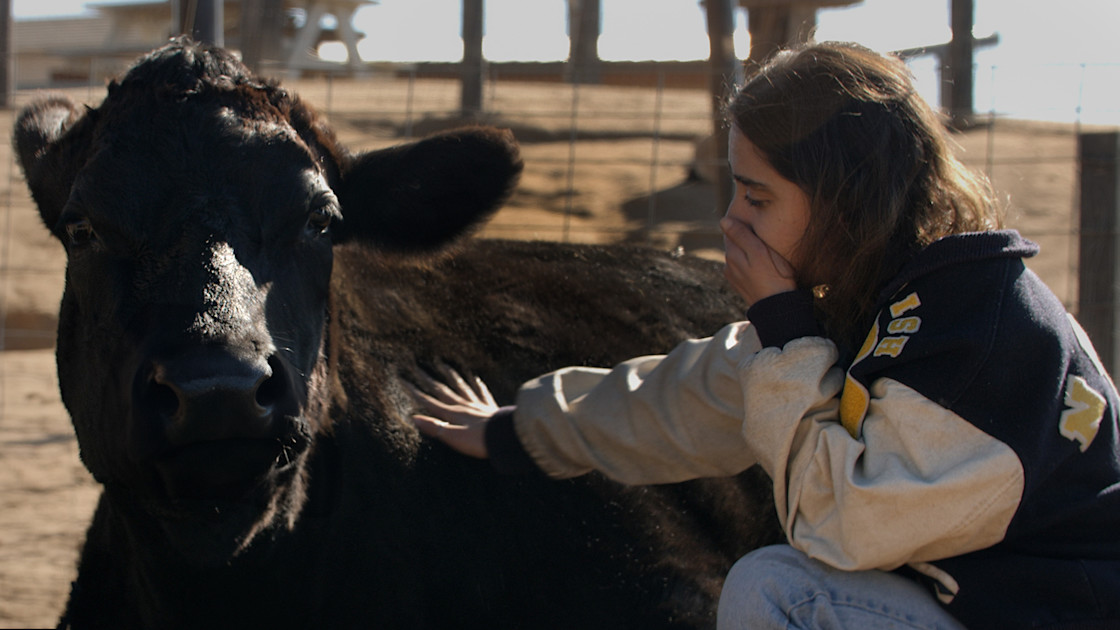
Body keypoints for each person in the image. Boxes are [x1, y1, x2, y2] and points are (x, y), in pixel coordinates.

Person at [411, 41, 1120, 629]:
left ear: (847, 199)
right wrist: (517, 431)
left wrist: (783, 332)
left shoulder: (978, 345)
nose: (729, 219)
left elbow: (840, 525)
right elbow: (690, 398)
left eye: (756, 196)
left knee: (774, 590)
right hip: (981, 607)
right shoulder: (885, 302)